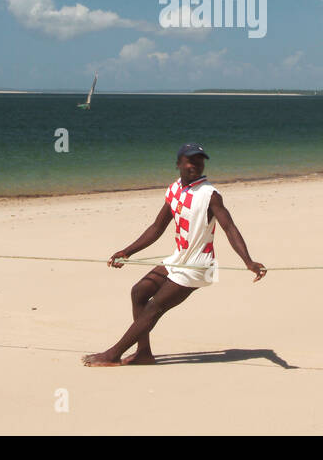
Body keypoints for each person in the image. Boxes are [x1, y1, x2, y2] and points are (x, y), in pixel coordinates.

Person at [82, 143, 266, 367]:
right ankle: (143, 353)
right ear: (178, 164)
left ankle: (113, 354)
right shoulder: (174, 190)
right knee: (139, 292)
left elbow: (229, 227)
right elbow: (156, 228)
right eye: (190, 160)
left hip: (197, 265)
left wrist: (248, 261)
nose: (195, 165)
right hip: (178, 259)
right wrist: (127, 252)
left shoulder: (210, 195)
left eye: (200, 161)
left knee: (154, 307)